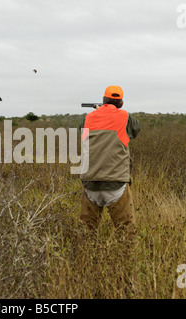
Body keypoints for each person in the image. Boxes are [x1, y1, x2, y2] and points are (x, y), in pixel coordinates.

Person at [79, 85, 140, 247]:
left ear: (103, 100)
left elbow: (82, 134)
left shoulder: (87, 118)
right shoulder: (126, 117)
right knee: (126, 233)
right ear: (121, 103)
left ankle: (84, 264)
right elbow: (136, 130)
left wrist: (98, 112)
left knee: (87, 233)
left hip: (90, 183)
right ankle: (127, 267)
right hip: (116, 184)